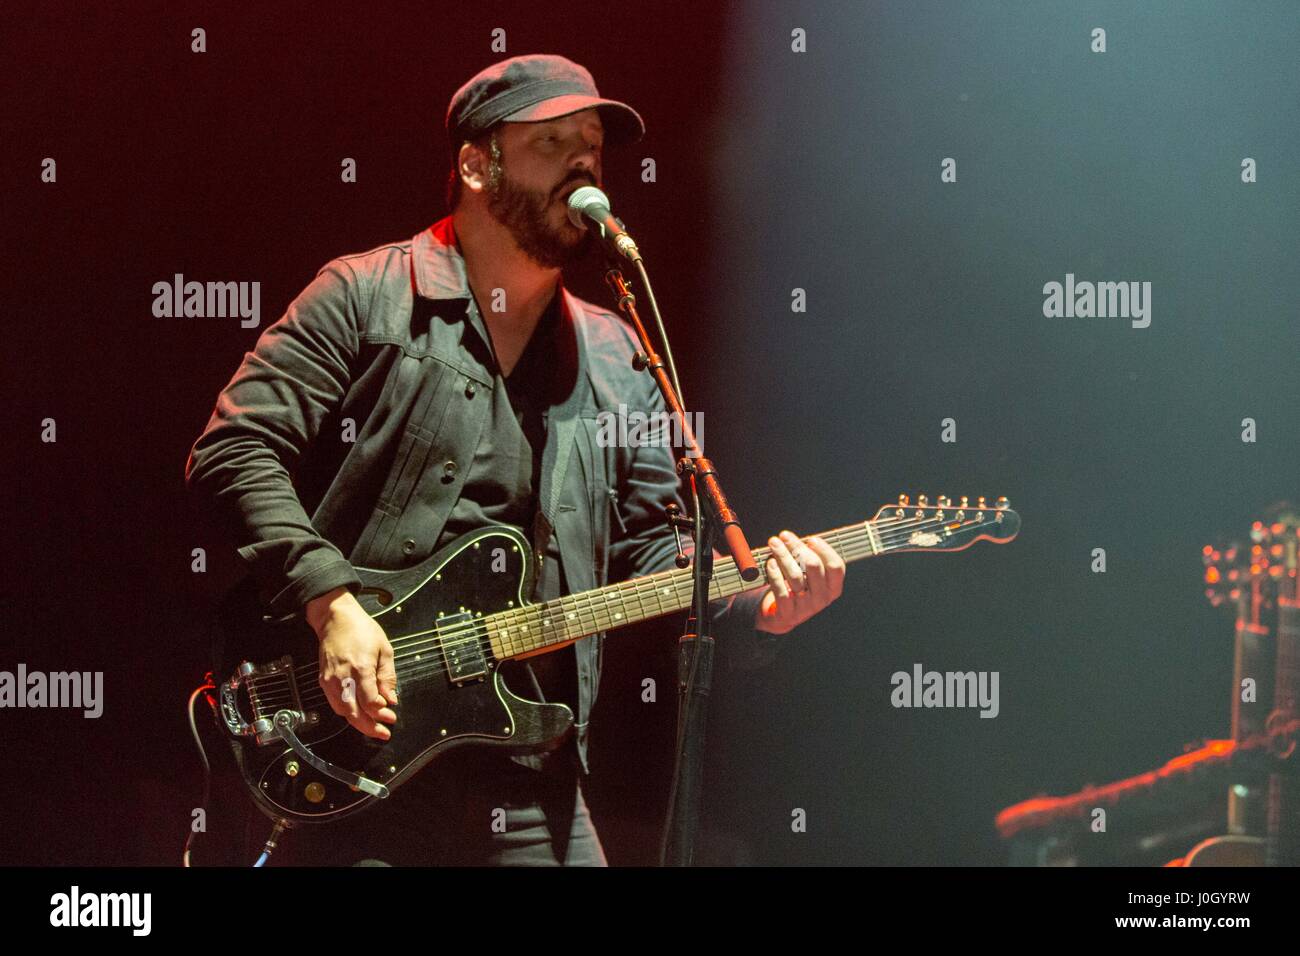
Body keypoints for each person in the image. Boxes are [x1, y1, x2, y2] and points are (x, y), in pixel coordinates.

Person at [185, 53, 846, 866]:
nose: (581, 163)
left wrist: (757, 608)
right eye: (552, 142)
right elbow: (234, 450)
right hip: (354, 747)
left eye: (593, 148)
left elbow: (647, 553)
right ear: (474, 164)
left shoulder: (613, 353)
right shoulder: (366, 295)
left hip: (527, 763)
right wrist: (333, 604)